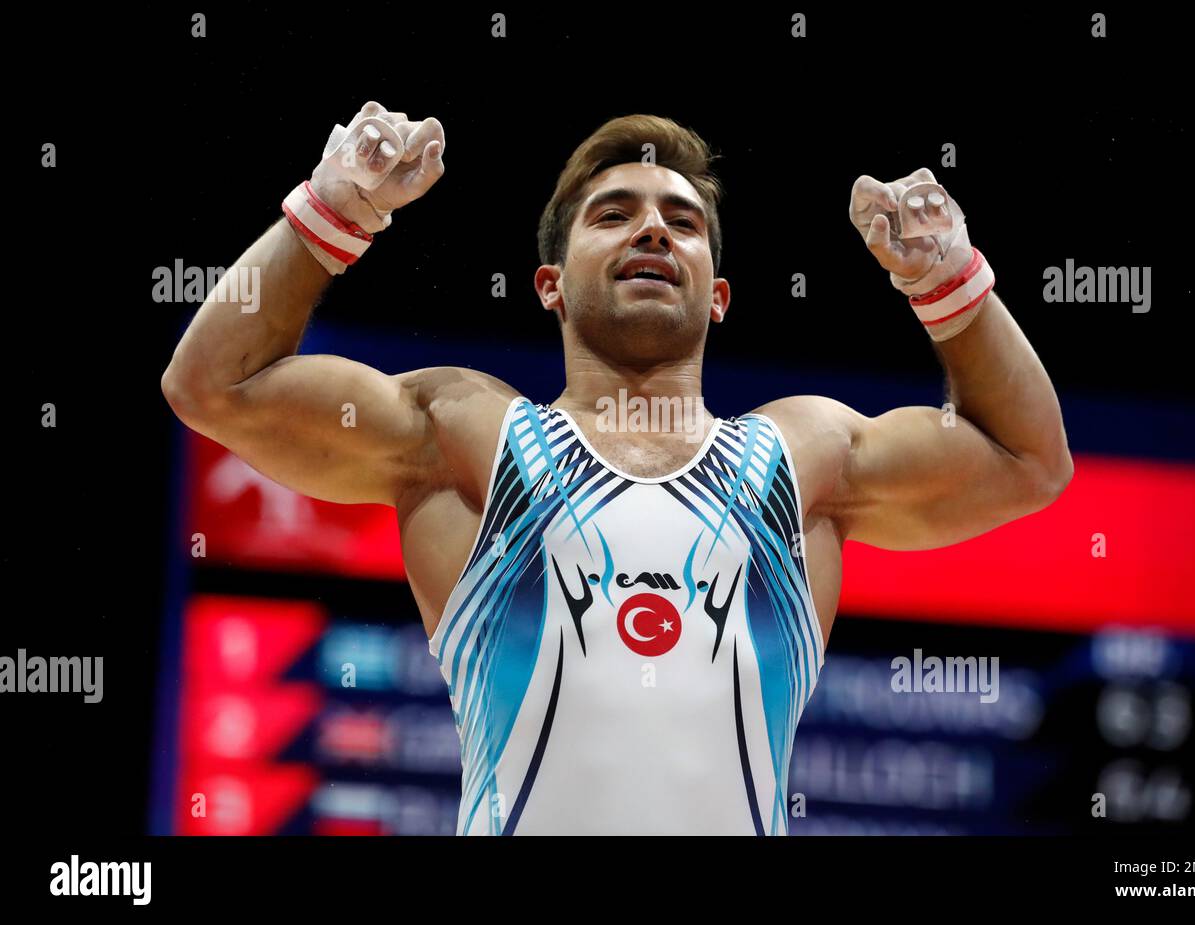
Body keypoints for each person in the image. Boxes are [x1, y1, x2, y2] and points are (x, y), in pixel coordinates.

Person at [161, 101, 1072, 835]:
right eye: (615, 215)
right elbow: (212, 385)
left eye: (682, 221)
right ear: (550, 282)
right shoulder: (472, 438)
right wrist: (332, 213)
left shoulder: (804, 460)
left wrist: (950, 282)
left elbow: (1031, 460)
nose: (653, 232)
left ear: (718, 295)